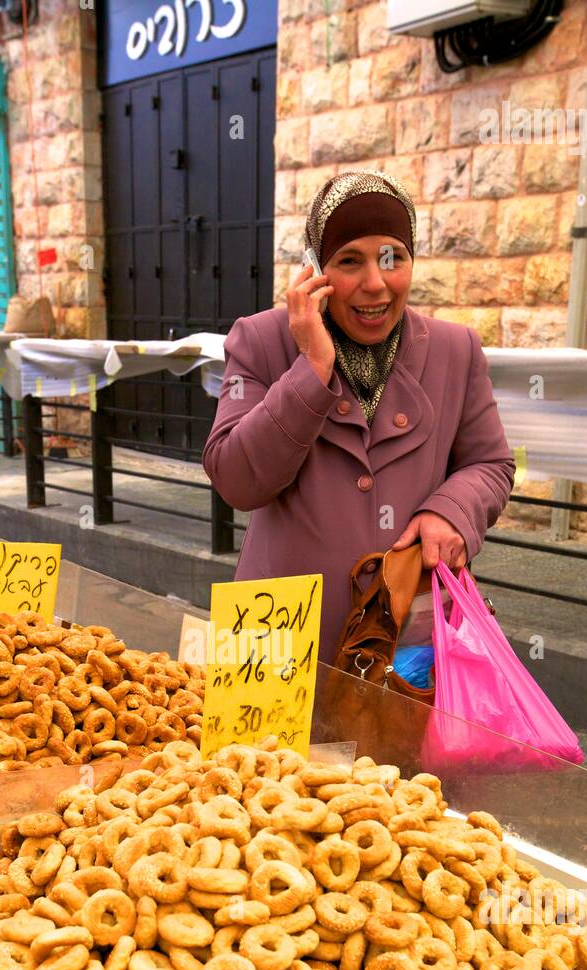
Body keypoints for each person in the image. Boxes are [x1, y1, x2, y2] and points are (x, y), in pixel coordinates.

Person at [202, 169, 514, 666]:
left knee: (395, 748)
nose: (375, 284)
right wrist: (311, 368)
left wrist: (451, 510)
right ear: (315, 269)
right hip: (275, 640)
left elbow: (490, 464)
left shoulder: (457, 350)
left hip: (405, 642)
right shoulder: (263, 340)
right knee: (262, 750)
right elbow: (238, 480)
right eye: (350, 261)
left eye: (393, 258)